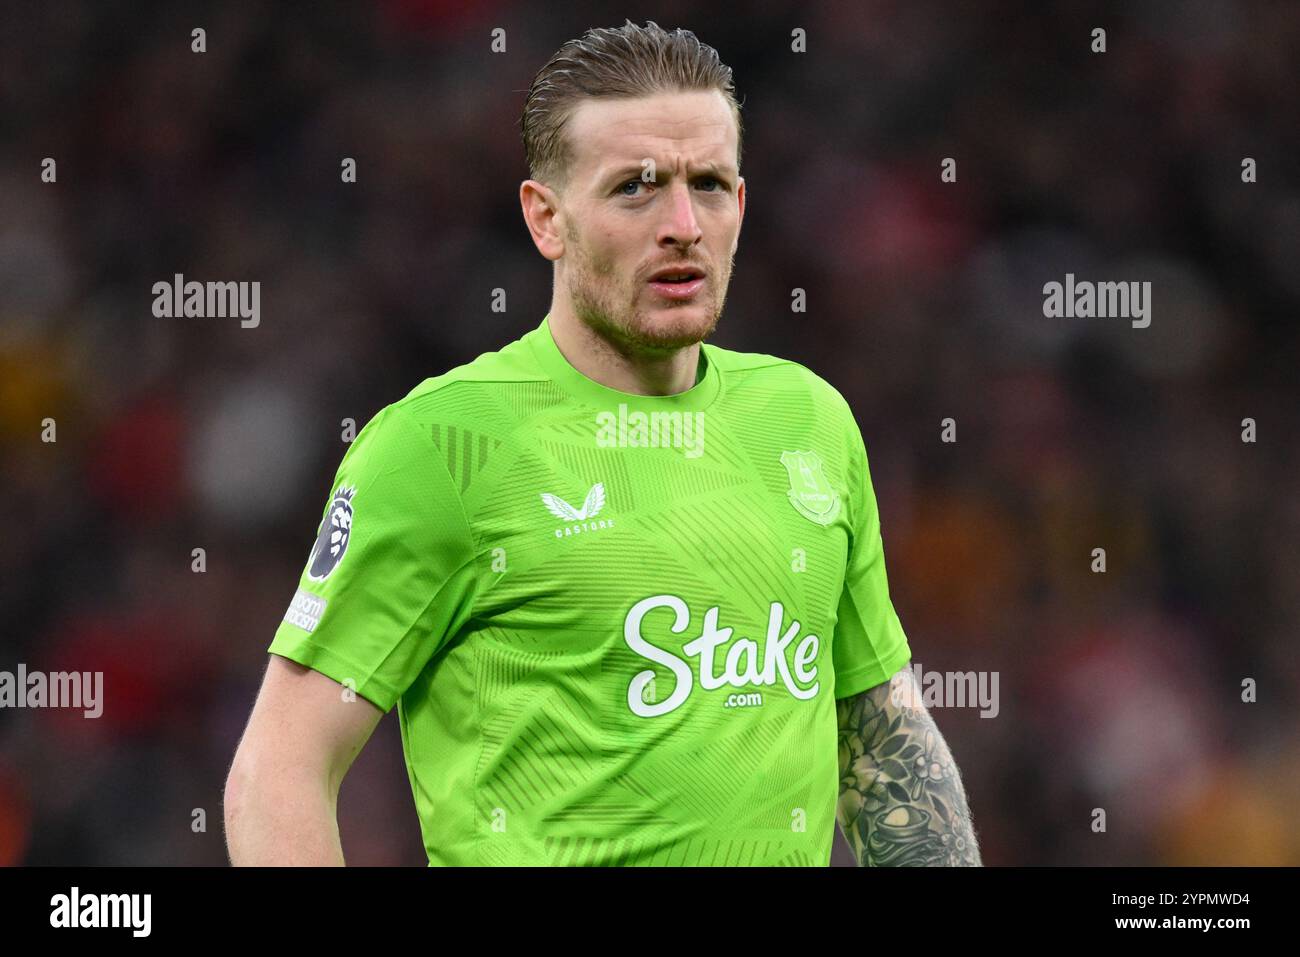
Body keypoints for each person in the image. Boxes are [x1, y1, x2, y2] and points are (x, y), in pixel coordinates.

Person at [223, 19, 980, 867]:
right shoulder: (442, 446)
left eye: (711, 184)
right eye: (636, 188)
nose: (683, 224)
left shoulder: (810, 421)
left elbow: (879, 735)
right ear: (547, 219)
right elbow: (280, 768)